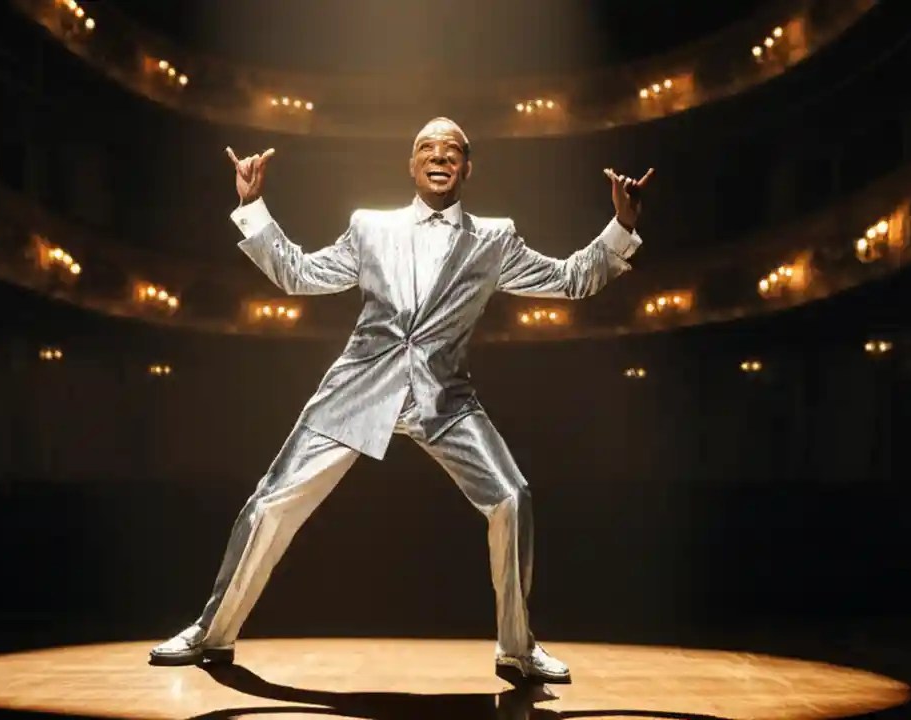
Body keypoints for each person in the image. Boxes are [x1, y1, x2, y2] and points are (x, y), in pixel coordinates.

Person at [149, 117, 653, 685]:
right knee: (270, 504)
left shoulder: (494, 238)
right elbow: (297, 273)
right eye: (426, 149)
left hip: (445, 400)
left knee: (512, 498)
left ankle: (518, 647)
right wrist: (253, 206)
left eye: (452, 151)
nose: (439, 157)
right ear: (411, 166)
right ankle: (211, 633)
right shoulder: (369, 227)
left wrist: (622, 225)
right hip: (358, 392)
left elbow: (570, 279)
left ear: (467, 168)